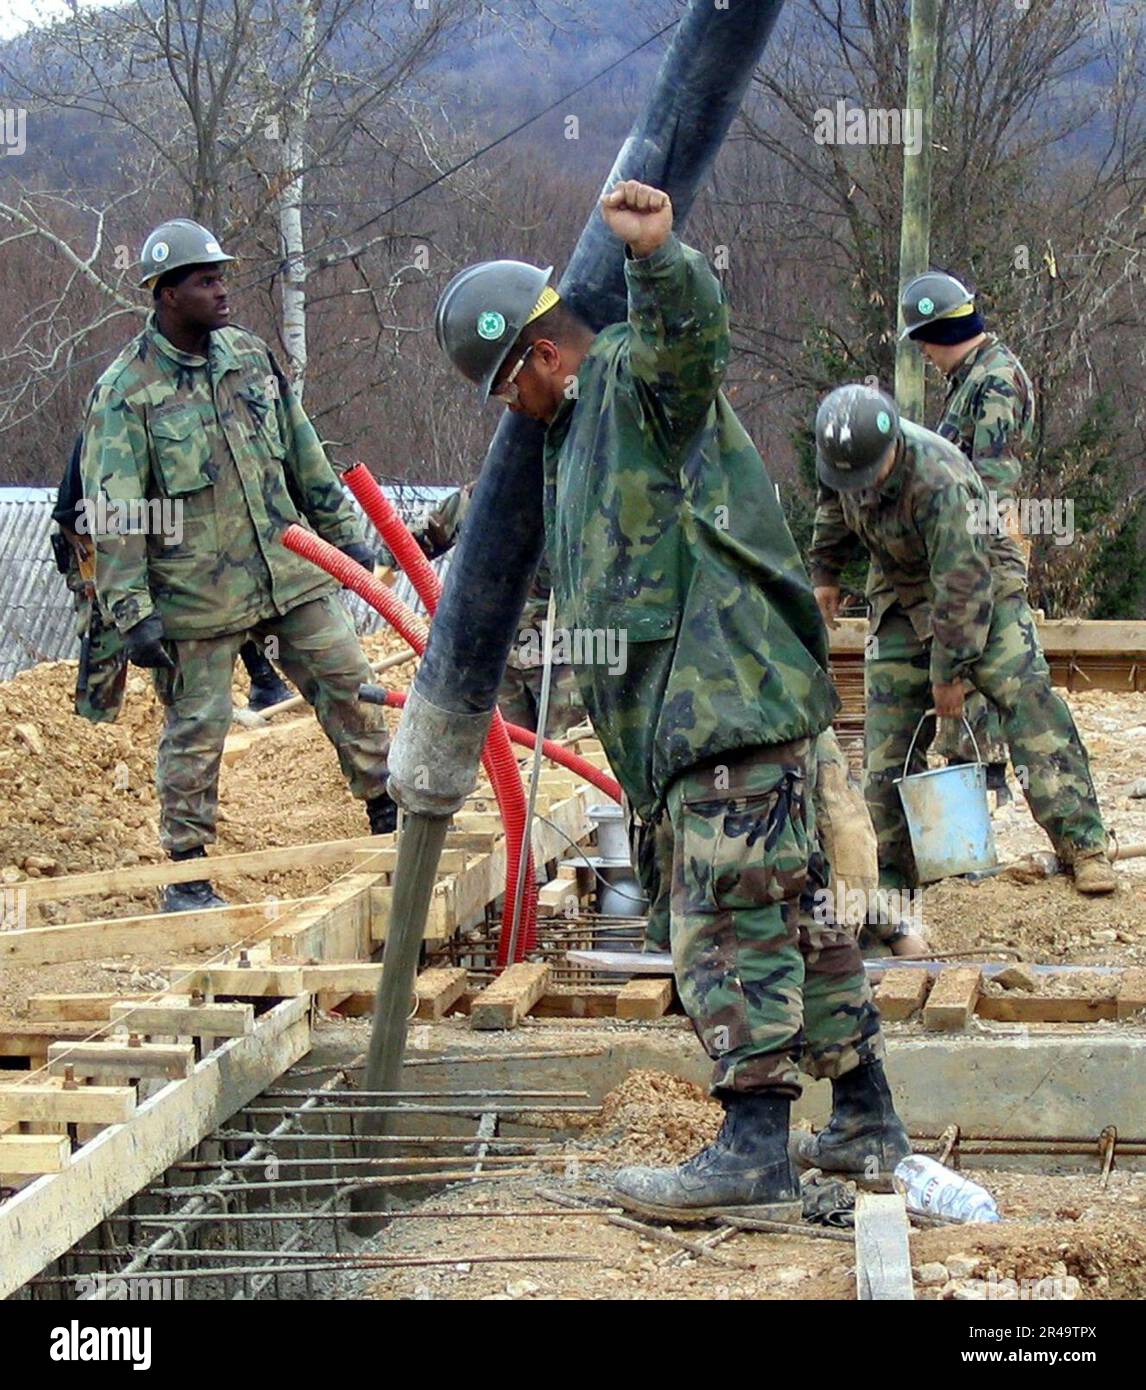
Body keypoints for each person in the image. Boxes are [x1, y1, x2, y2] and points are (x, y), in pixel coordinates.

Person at [434, 181, 909, 1222]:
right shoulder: (579, 435)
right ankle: (867, 1116)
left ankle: (752, 1149)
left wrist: (658, 259)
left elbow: (691, 339)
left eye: (507, 385)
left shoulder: (629, 383)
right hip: (717, 713)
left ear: (544, 356)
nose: (509, 409)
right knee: (799, 915)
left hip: (719, 706)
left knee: (726, 926)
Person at [80, 218, 396, 913]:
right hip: (196, 597)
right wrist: (130, 611)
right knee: (197, 731)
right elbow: (115, 513)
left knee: (352, 685)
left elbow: (303, 452)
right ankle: (188, 874)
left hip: (289, 570)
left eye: (222, 277)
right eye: (205, 281)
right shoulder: (125, 391)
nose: (222, 291)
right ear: (165, 295)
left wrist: (346, 537)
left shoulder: (250, 359)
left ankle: (390, 820)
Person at [809, 382, 1116, 897]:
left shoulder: (939, 478)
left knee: (1029, 703)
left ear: (892, 452)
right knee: (889, 737)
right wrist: (825, 570)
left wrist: (949, 674)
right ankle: (888, 876)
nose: (859, 488)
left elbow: (962, 583)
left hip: (981, 588)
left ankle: (1083, 845)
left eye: (868, 477)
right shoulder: (844, 458)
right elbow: (832, 506)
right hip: (899, 590)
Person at [901, 270, 1036, 805]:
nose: (926, 359)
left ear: (936, 335)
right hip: (964, 546)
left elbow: (990, 485)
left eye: (924, 346)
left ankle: (988, 777)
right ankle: (972, 770)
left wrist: (966, 561)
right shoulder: (971, 379)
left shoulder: (995, 380)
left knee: (985, 668)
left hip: (983, 548)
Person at [53, 437, 294, 720]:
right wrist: (103, 579)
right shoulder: (108, 433)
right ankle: (94, 722)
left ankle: (263, 680)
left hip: (164, 536)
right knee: (107, 631)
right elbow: (75, 514)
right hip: (97, 541)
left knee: (224, 585)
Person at [377, 482, 584, 736]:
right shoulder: (494, 486)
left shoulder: (582, 490)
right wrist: (384, 561)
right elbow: (432, 530)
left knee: (567, 751)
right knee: (507, 753)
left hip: (565, 654)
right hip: (496, 654)